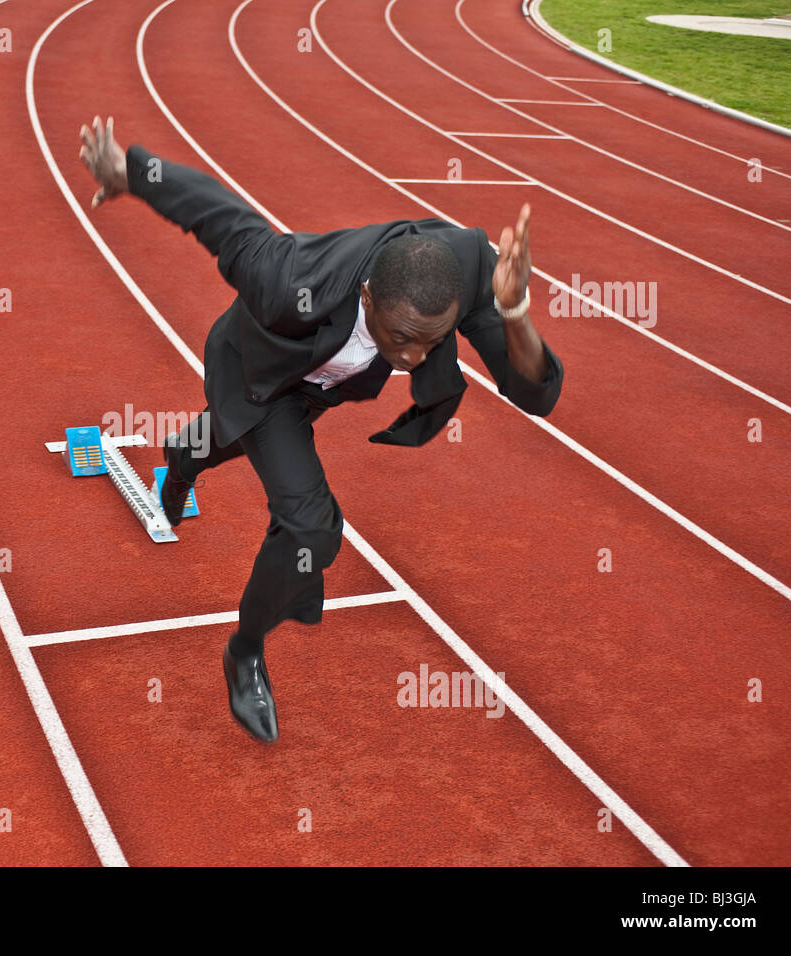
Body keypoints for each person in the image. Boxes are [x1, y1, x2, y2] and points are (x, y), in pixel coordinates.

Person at [79, 116, 564, 743]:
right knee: (310, 524)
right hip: (255, 372)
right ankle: (245, 651)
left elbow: (536, 394)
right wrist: (132, 171)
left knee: (223, 443)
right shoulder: (287, 278)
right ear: (366, 298)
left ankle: (182, 455)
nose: (415, 359)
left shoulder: (467, 272)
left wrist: (515, 311)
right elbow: (223, 215)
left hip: (320, 384)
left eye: (431, 342)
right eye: (401, 341)